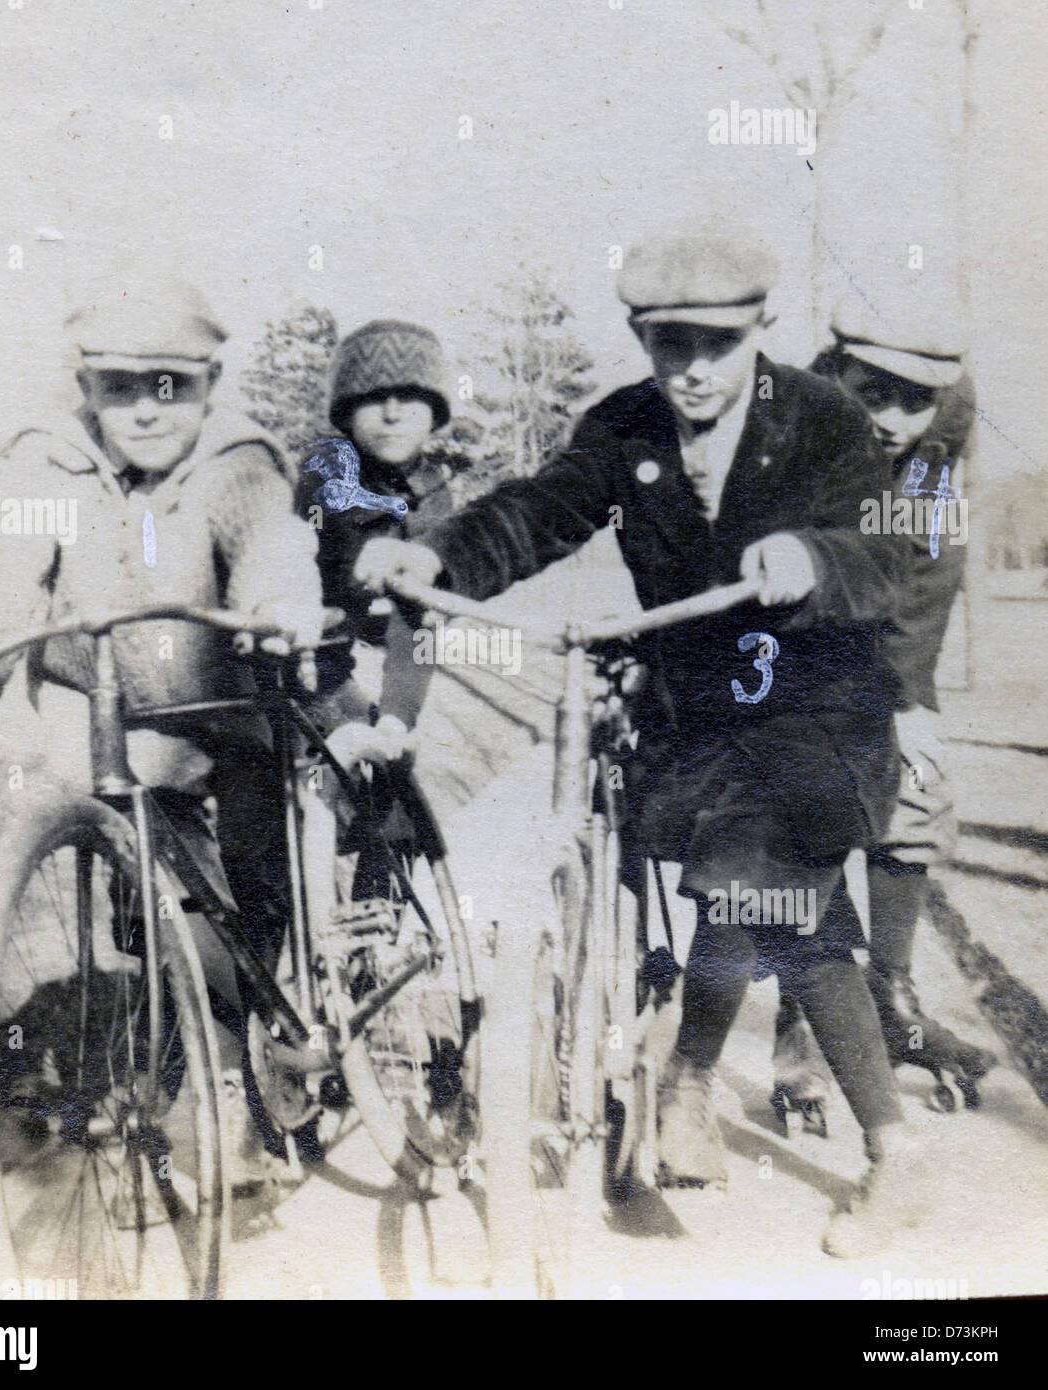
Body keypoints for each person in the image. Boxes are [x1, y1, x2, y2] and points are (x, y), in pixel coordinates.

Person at [353, 219, 923, 1257]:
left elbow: (888, 551)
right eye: (670, 344)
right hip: (696, 712)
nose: (693, 369)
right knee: (737, 885)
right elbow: (538, 512)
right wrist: (441, 562)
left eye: (718, 344)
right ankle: (688, 1083)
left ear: (760, 327)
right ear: (640, 338)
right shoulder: (624, 426)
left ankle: (879, 1149)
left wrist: (812, 556)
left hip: (815, 709)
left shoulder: (821, 418)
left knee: (768, 893)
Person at [0, 274, 324, 1190]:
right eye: (120, 388)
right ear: (86, 390)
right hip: (104, 715)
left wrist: (279, 605)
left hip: (224, 715)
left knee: (249, 897)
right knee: (145, 910)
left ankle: (251, 1061)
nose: (145, 410)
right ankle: (191, 1059)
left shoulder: (234, 457)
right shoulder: (48, 462)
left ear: (210, 386)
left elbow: (270, 542)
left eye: (171, 388)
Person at [771, 286, 994, 1131]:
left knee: (916, 794)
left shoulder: (931, 481)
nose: (892, 420)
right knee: (808, 826)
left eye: (914, 402)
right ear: (835, 376)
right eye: (874, 394)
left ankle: (893, 997)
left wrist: (905, 710)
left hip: (889, 673)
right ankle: (801, 1030)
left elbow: (921, 606)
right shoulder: (786, 448)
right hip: (788, 672)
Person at [293, 317, 457, 768]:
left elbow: (420, 618)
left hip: (364, 663)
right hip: (292, 663)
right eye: (372, 398)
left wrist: (395, 719)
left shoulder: (432, 490)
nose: (392, 413)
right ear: (346, 412)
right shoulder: (316, 479)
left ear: (435, 412)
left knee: (394, 770)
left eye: (410, 397)